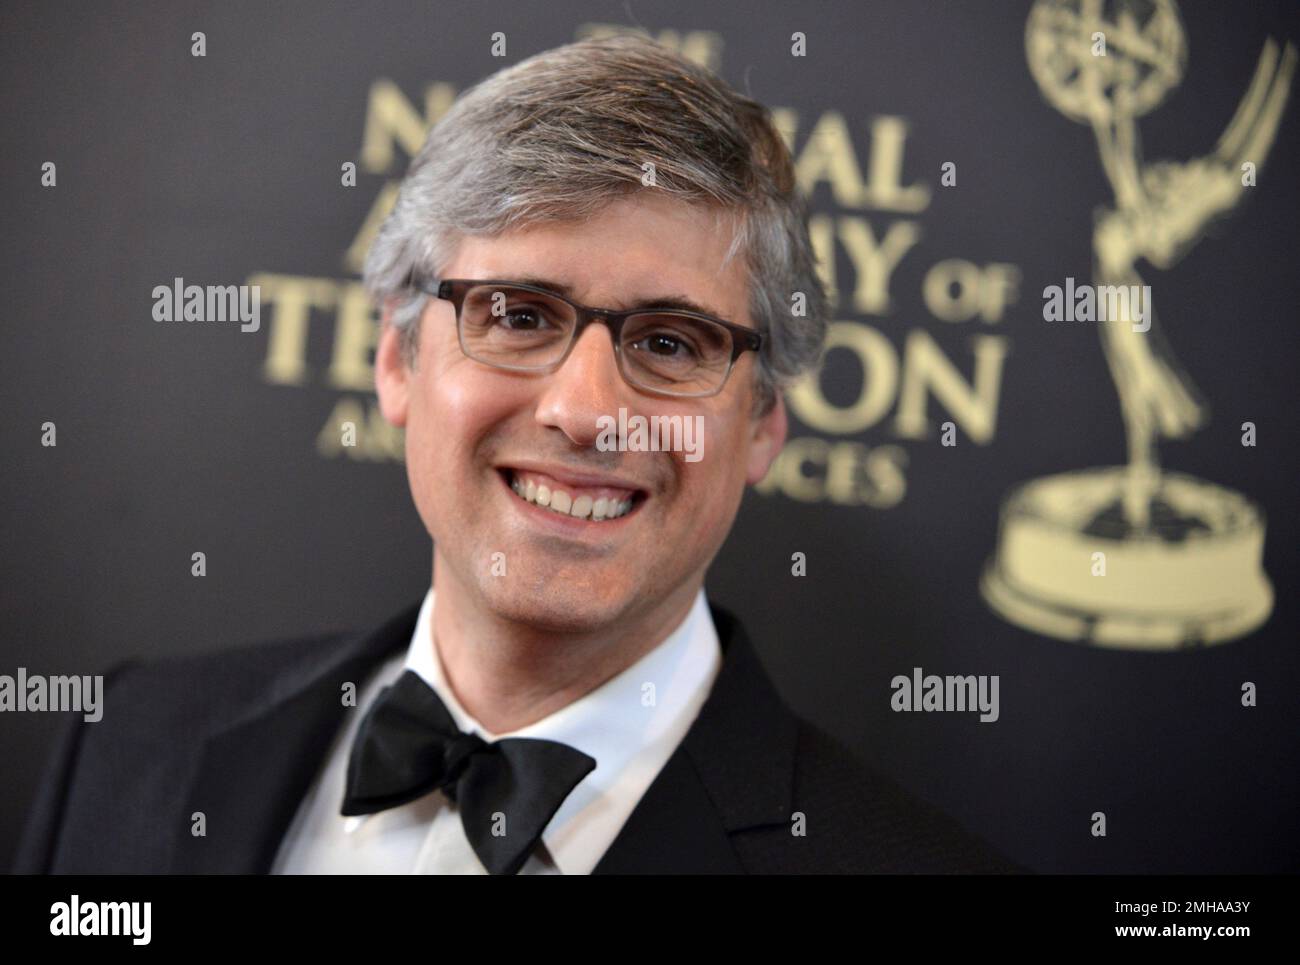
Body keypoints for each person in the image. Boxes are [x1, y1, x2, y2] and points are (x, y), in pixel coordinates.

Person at [13, 34, 1020, 874]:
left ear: (762, 424)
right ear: (398, 359)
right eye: (517, 314)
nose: (585, 411)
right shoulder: (127, 746)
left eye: (670, 342)